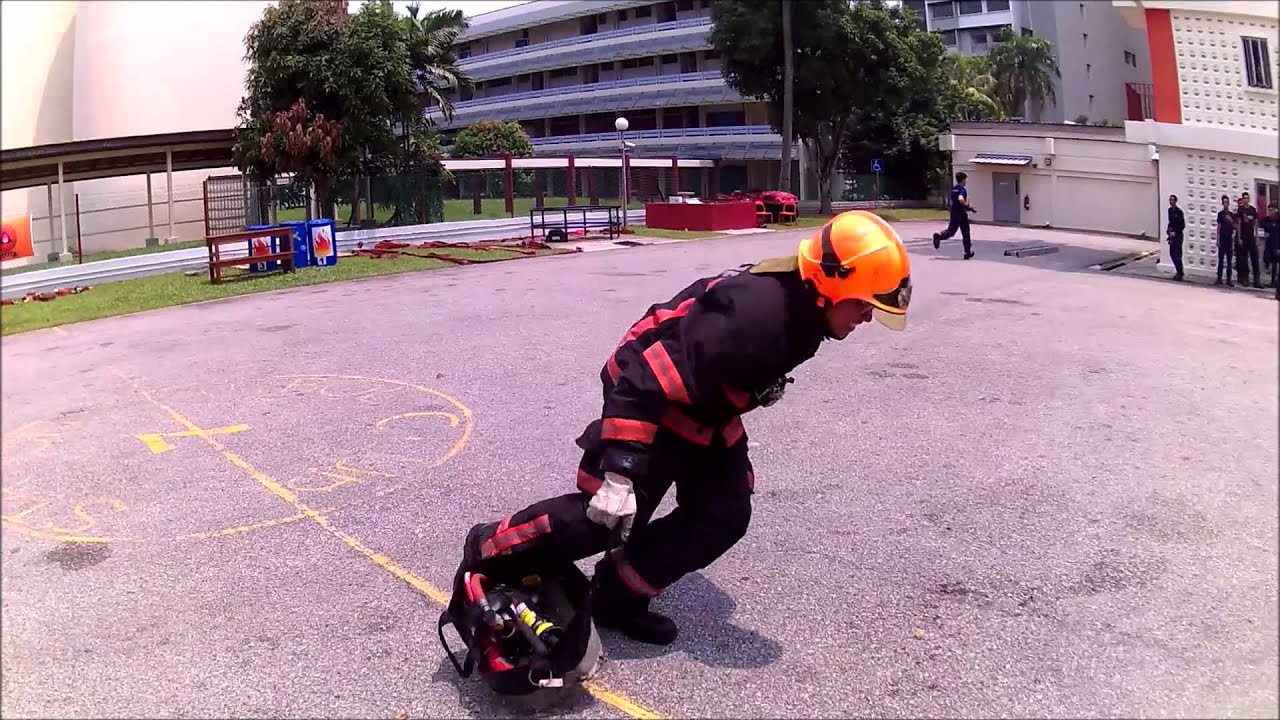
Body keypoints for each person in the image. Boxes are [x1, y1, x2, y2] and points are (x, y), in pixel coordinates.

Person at [451, 210, 913, 647]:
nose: (868, 318)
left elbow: (727, 376)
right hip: (648, 395)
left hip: (705, 410)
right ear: (831, 285)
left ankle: (614, 598)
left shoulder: (806, 311)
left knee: (723, 515)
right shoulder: (756, 317)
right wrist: (621, 470)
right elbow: (643, 378)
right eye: (863, 306)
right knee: (607, 518)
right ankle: (490, 543)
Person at [933, 171, 976, 259]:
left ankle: (939, 236)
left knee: (951, 231)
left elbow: (956, 200)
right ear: (963, 180)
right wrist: (967, 206)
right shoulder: (962, 189)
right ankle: (967, 252)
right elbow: (960, 199)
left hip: (954, 212)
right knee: (965, 233)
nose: (965, 181)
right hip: (961, 214)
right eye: (965, 180)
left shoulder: (954, 189)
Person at [1236, 192, 1262, 289]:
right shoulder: (1241, 210)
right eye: (1244, 198)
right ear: (1242, 200)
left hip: (1251, 237)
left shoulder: (1253, 210)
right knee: (1244, 259)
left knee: (1255, 259)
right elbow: (1238, 224)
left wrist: (1257, 237)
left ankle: (1257, 281)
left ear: (1249, 199)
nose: (1245, 200)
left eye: (1247, 198)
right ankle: (1245, 279)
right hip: (1244, 236)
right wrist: (1239, 237)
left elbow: (1256, 223)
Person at [1215, 194, 1236, 287]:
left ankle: (1229, 279)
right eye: (1224, 202)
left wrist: (1230, 220)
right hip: (1222, 238)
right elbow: (1218, 227)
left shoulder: (1232, 215)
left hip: (1229, 239)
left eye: (1227, 202)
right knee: (1221, 259)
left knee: (1229, 260)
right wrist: (1218, 239)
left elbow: (1235, 227)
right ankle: (1219, 278)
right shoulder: (1220, 214)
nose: (1226, 204)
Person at [1166, 194, 1185, 281]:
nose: (1171, 202)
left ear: (1175, 201)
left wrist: (1175, 232)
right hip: (1171, 234)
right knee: (1172, 253)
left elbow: (1182, 225)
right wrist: (1169, 230)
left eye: (1172, 200)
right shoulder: (1170, 210)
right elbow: (1170, 222)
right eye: (1170, 200)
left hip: (1178, 235)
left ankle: (1180, 272)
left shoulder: (1179, 212)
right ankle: (1178, 270)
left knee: (1177, 254)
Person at [1262, 202, 1280, 296]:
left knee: (1276, 265)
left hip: (1277, 245)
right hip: (1269, 245)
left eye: (1272, 210)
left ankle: (1275, 282)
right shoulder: (1266, 220)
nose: (1270, 212)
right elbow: (1261, 224)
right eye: (1269, 210)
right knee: (1268, 260)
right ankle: (1272, 281)